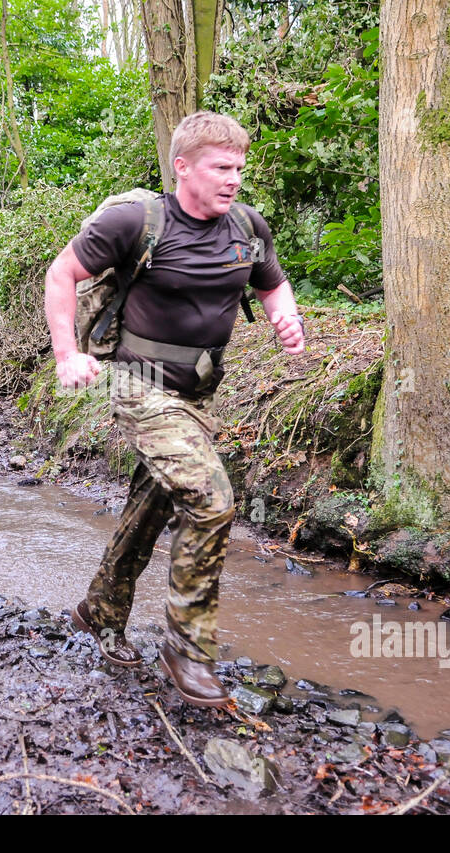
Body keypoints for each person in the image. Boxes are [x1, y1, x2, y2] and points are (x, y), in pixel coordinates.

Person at [44, 111, 305, 707]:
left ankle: (99, 610)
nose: (234, 178)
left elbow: (271, 283)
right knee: (211, 502)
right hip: (135, 381)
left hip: (196, 392)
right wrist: (66, 355)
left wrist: (282, 317)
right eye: (221, 167)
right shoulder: (136, 220)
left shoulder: (247, 225)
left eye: (239, 167)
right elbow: (63, 272)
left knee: (154, 501)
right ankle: (188, 649)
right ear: (182, 167)